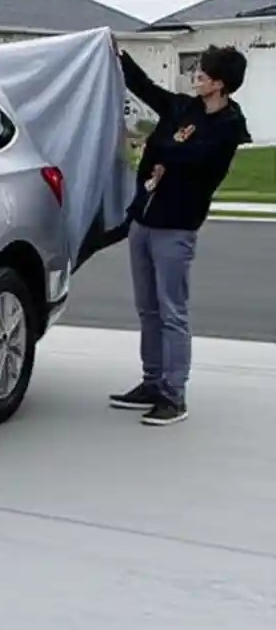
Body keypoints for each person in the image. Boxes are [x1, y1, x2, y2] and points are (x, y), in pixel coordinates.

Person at [107, 40, 250, 426]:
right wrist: (121, 58)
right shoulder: (183, 108)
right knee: (147, 308)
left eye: (201, 74)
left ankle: (174, 395)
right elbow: (148, 90)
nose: (194, 78)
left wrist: (160, 149)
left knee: (173, 312)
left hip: (176, 227)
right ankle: (152, 382)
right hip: (144, 220)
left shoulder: (228, 127)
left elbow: (196, 161)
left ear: (219, 84)